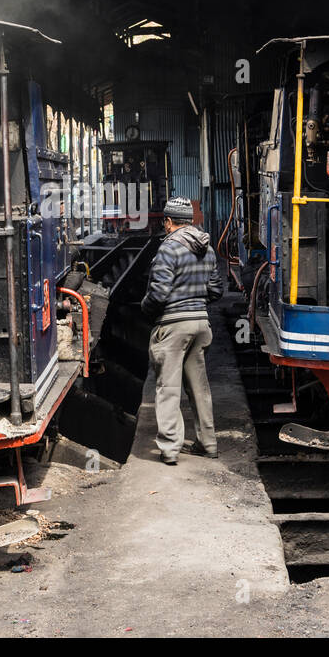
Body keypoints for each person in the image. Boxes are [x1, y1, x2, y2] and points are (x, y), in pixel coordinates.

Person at [141, 196, 224, 464]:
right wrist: (196, 303)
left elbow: (159, 293)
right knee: (199, 387)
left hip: (174, 326)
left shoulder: (169, 248)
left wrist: (146, 309)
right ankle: (208, 444)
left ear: (168, 222)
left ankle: (169, 449)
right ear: (190, 220)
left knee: (168, 388)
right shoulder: (207, 249)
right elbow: (215, 290)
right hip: (201, 324)